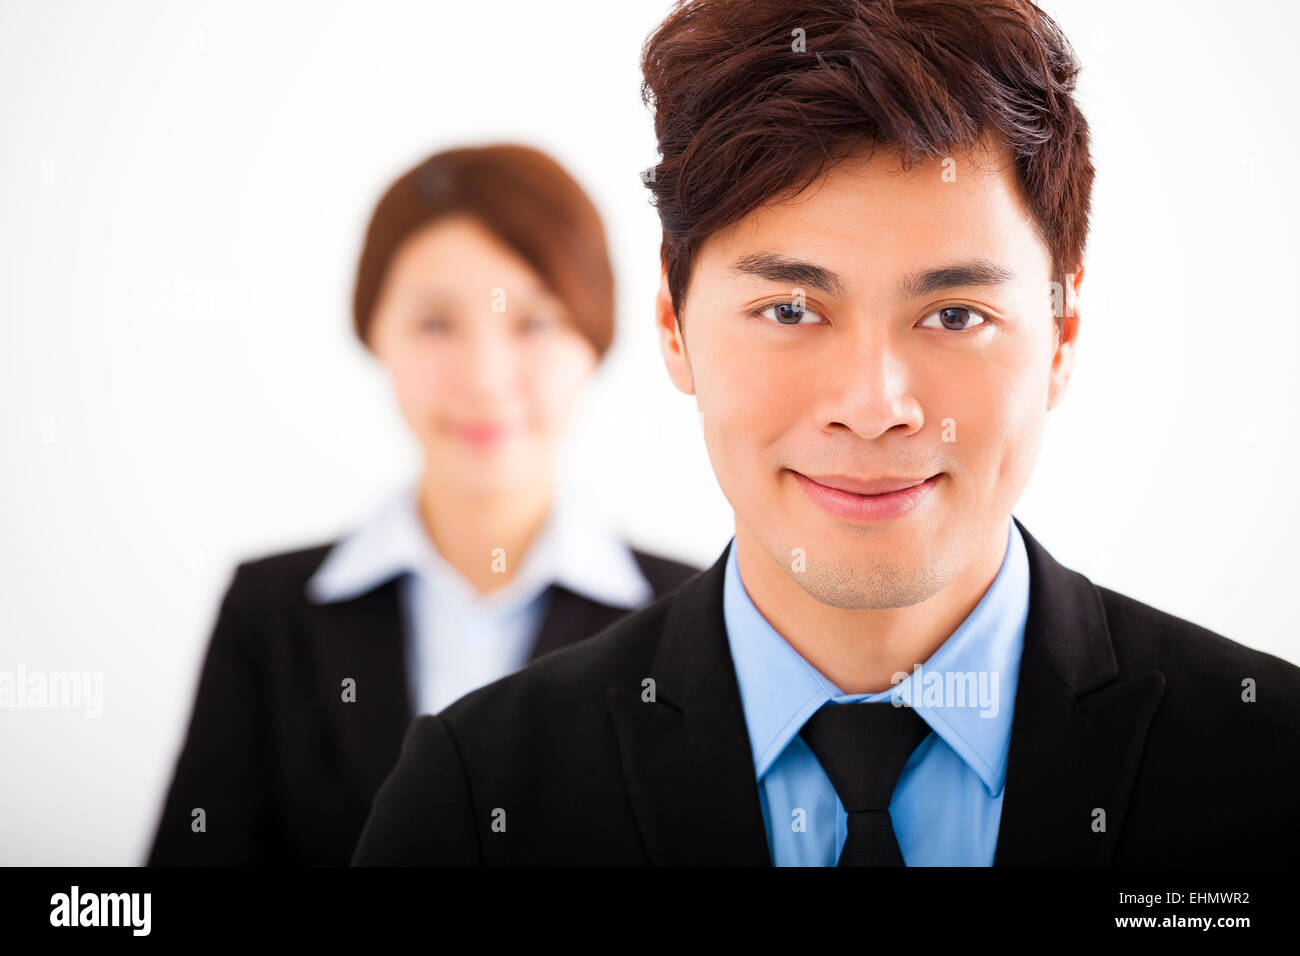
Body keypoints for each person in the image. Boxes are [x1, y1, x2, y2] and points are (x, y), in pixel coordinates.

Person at [351, 0, 1300, 866]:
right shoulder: (477, 801)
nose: (875, 404)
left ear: (1062, 338)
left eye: (956, 314)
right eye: (792, 309)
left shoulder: (1269, 766)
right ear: (675, 329)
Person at [147, 144, 700, 866]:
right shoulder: (271, 612)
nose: (484, 378)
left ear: (593, 340)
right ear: (373, 331)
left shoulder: (690, 618)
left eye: (534, 323)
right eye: (435, 323)